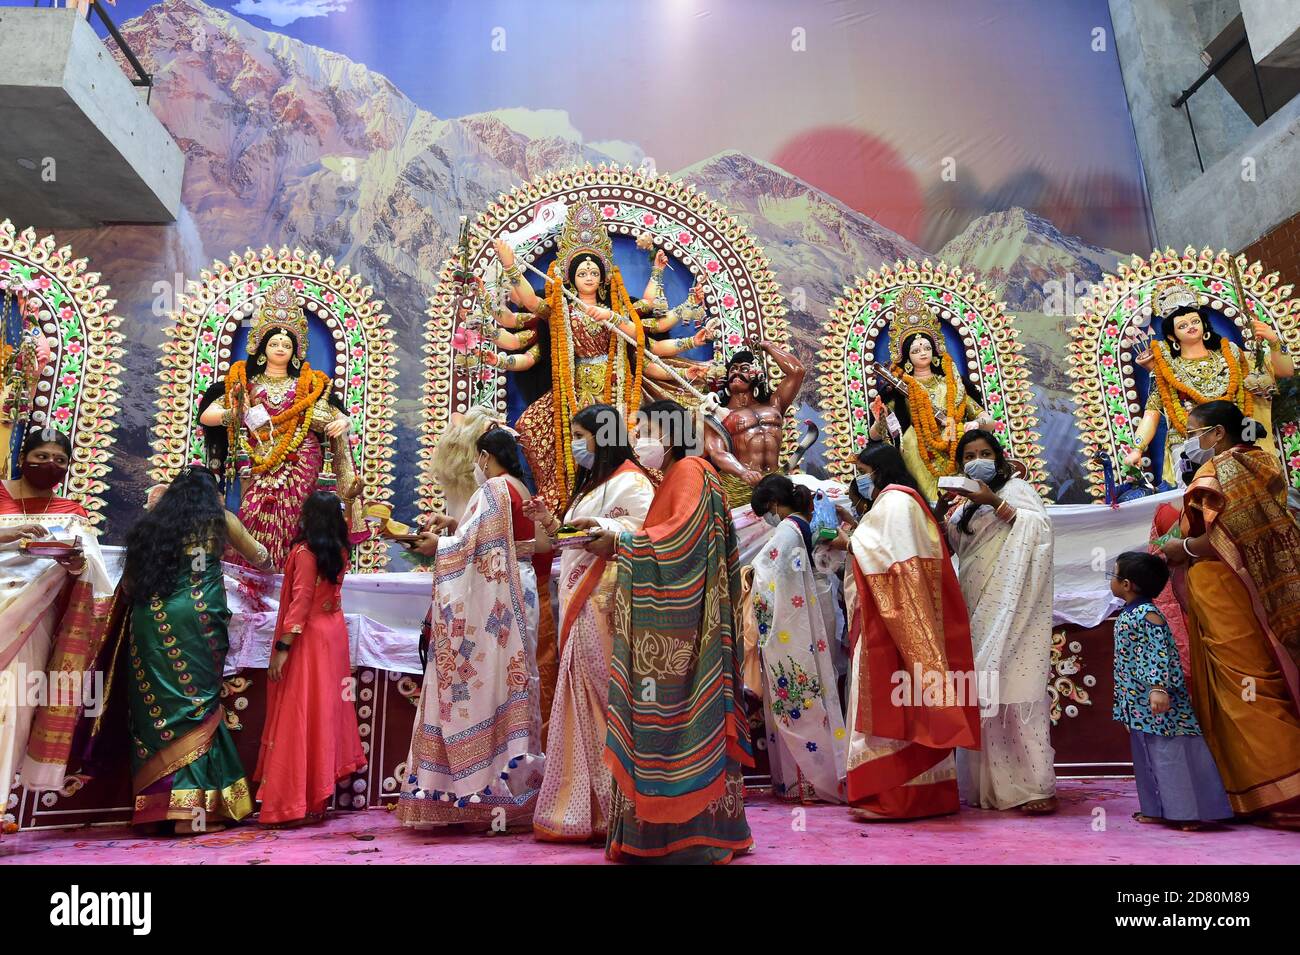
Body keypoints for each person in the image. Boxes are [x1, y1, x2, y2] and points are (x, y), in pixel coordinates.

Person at [582, 400, 753, 862]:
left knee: (673, 719)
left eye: (648, 430)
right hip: (679, 626)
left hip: (684, 634)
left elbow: (680, 544)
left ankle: (689, 839)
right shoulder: (679, 476)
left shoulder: (693, 472)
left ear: (674, 433)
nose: (640, 441)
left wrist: (619, 542)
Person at [487, 200, 715, 512]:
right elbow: (529, 302)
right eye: (582, 272)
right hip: (573, 390)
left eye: (594, 271)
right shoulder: (560, 307)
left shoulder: (618, 308)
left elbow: (640, 335)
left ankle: (630, 504)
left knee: (620, 445)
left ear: (603, 276)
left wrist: (612, 318)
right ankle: (568, 503)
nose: (589, 277)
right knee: (533, 426)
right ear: (571, 277)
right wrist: (511, 265)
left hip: (613, 389)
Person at [398, 428, 547, 827]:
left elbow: (473, 547)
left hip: (499, 590)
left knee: (482, 678)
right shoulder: (519, 486)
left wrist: (436, 546)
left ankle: (477, 789)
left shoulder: (494, 488)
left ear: (483, 457)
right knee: (511, 677)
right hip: (523, 585)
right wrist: (453, 525)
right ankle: (517, 789)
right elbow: (512, 539)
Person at [1162, 400, 1300, 825]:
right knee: (1261, 677)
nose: (1188, 442)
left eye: (1192, 432)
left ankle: (1284, 793)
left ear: (1217, 434)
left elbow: (1222, 540)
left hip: (1225, 591)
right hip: (1258, 589)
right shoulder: (1262, 463)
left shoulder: (1215, 473)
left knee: (1244, 687)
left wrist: (1179, 549)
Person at [522, 404, 654, 841]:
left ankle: (623, 804)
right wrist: (550, 524)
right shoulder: (591, 486)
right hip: (581, 598)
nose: (575, 443)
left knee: (606, 693)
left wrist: (600, 528)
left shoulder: (633, 481)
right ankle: (587, 809)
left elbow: (649, 532)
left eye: (582, 434)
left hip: (607, 598)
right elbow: (569, 540)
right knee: (581, 692)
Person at [121, 466, 272, 832]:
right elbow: (260, 557)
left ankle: (160, 811)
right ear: (214, 494)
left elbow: (128, 585)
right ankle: (192, 817)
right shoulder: (218, 519)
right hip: (197, 620)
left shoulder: (152, 525)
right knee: (197, 708)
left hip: (150, 622)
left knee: (158, 713)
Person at [843, 442, 979, 820]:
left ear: (879, 469)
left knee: (892, 703)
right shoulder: (903, 501)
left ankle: (893, 798)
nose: (859, 479)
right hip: (891, 616)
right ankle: (916, 796)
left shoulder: (896, 502)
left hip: (892, 624)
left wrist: (849, 540)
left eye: (863, 471)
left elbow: (893, 561)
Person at [197, 278, 358, 569]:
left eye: (286, 343)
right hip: (259, 459)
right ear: (262, 347)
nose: (281, 347)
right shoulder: (246, 384)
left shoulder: (307, 386)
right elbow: (207, 415)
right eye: (274, 343)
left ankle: (293, 576)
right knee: (253, 512)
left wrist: (343, 422)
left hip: (301, 460)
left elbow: (334, 416)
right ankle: (251, 579)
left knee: (298, 519)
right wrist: (234, 415)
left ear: (296, 349)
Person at [0, 427, 116, 826]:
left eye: (60, 461)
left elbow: (92, 573)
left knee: (13, 707)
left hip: (35, 617)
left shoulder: (71, 510)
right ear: (22, 458)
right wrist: (12, 536)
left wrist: (74, 564)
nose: (50, 465)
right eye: (41, 457)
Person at [944, 430, 1057, 813]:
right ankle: (991, 787)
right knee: (986, 690)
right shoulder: (961, 507)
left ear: (998, 456)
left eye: (985, 452)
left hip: (1014, 605)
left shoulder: (1017, 489)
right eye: (970, 454)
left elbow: (1039, 530)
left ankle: (1034, 786)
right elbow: (957, 550)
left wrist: (996, 502)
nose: (978, 459)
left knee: (1016, 686)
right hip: (976, 602)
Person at [253, 491, 365, 827]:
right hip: (333, 634)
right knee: (324, 713)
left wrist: (282, 649)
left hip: (309, 638)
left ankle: (290, 802)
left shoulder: (304, 552)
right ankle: (316, 798)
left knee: (298, 715)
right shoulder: (339, 551)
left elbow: (300, 602)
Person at [1109, 551, 1232, 830]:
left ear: (1127, 584)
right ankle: (1156, 809)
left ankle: (1189, 813)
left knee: (1170, 754)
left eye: (1113, 576)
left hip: (1157, 701)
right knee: (1148, 756)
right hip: (1138, 703)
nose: (1112, 582)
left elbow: (1159, 651)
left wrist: (1158, 688)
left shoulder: (1148, 614)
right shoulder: (1132, 613)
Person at [1127, 278, 1292, 485]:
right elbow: (1152, 413)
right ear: (1171, 336)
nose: (1191, 327)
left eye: (1195, 322)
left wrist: (1274, 340)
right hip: (1192, 446)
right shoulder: (1165, 368)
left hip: (1236, 440)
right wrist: (1137, 449)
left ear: (1204, 325)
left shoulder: (1231, 354)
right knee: (1203, 500)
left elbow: (1285, 371)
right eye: (1183, 325)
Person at [745, 474, 847, 803]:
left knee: (798, 693)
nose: (766, 520)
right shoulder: (807, 525)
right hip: (813, 613)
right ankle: (821, 775)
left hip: (795, 623)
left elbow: (770, 573)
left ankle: (806, 781)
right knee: (816, 687)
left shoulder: (788, 530)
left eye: (764, 513)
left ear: (773, 505)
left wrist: (748, 574)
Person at [868, 286, 990, 501]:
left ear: (934, 350)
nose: (922, 353)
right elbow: (876, 436)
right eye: (915, 350)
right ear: (907, 357)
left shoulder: (952, 384)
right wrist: (879, 418)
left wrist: (977, 424)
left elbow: (988, 421)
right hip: (918, 447)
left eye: (926, 348)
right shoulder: (899, 390)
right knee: (913, 441)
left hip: (955, 440)